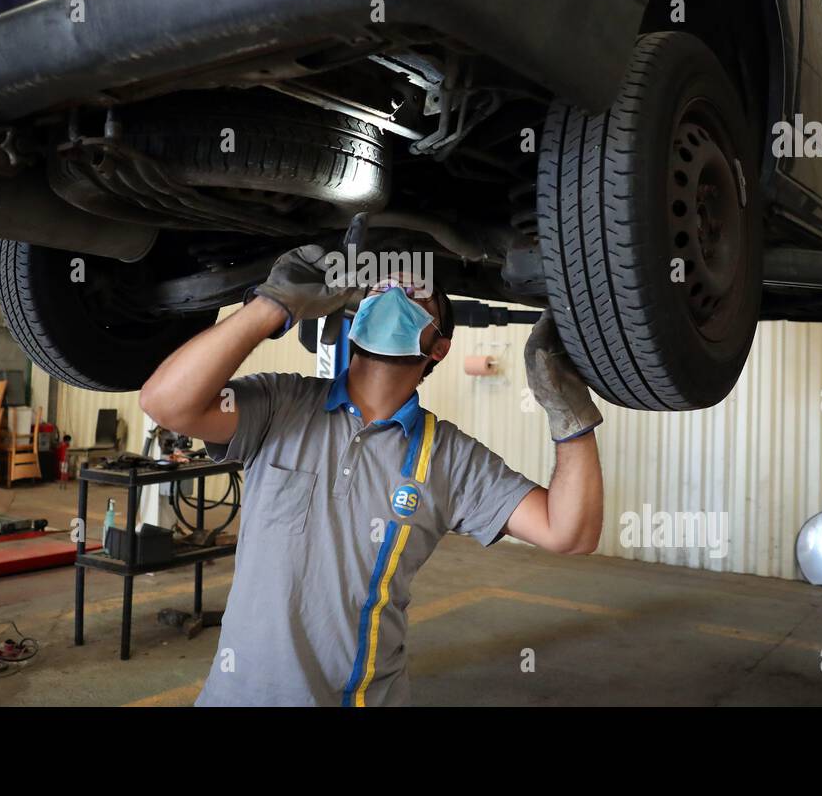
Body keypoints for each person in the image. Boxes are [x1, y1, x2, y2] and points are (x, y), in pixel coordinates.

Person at [139, 244, 605, 706]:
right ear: (355, 315)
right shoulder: (280, 404)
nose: (394, 293)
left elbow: (570, 532)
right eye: (382, 288)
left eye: (414, 293)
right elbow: (165, 403)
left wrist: (570, 415)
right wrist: (272, 306)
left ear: (438, 347)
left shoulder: (447, 457)